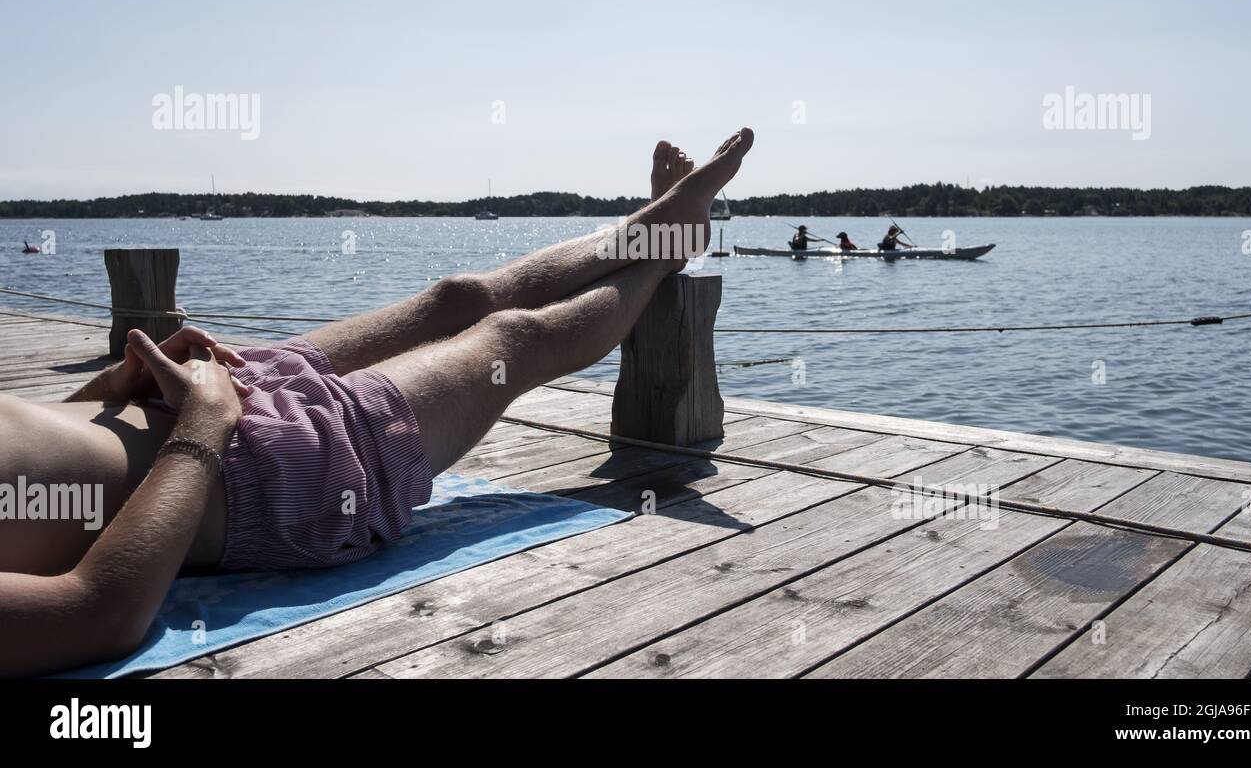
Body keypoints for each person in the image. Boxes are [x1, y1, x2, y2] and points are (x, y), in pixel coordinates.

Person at [0, 127, 755, 676]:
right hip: (272, 477)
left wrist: (105, 392)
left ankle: (648, 227)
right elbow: (96, 613)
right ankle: (667, 245)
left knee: (456, 297)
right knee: (512, 340)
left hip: (200, 408)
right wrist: (201, 430)